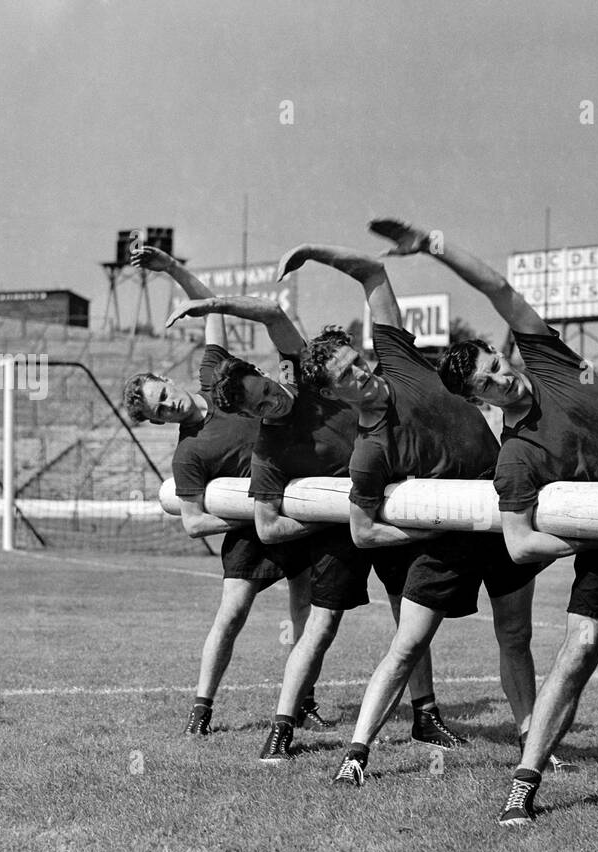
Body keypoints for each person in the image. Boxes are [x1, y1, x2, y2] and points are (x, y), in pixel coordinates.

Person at [369, 217, 598, 825]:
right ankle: (526, 780)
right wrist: (578, 539)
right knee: (579, 650)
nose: (504, 376)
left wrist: (435, 246)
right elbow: (520, 545)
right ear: (480, 401)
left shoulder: (551, 361)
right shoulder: (516, 458)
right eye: (490, 384)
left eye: (498, 362)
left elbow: (498, 288)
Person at [274, 243, 542, 787]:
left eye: (358, 363)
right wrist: (425, 528)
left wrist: (312, 253)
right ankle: (356, 755)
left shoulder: (397, 361)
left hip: (501, 517)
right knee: (407, 645)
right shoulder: (368, 452)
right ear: (333, 394)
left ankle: (533, 744)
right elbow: (363, 531)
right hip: (447, 537)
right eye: (347, 378)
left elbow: (373, 272)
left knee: (515, 636)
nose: (362, 376)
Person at [168, 295, 463, 762]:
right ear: (248, 416)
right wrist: (327, 517)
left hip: (388, 508)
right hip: (335, 529)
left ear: (266, 373)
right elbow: (267, 529)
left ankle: (425, 717)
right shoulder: (267, 450)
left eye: (266, 387)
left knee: (407, 615)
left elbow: (273, 315)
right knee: (321, 626)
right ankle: (281, 730)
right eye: (260, 405)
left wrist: (212, 302)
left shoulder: (312, 382)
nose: (273, 400)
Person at [122, 241, 331, 738]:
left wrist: (172, 268)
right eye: (159, 411)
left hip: (291, 505)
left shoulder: (218, 376)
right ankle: (202, 707)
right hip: (250, 523)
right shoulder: (188, 454)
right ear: (155, 421)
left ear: (167, 380)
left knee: (305, 606)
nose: (169, 406)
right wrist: (247, 515)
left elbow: (210, 307)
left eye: (164, 395)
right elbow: (194, 522)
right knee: (232, 613)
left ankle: (303, 702)